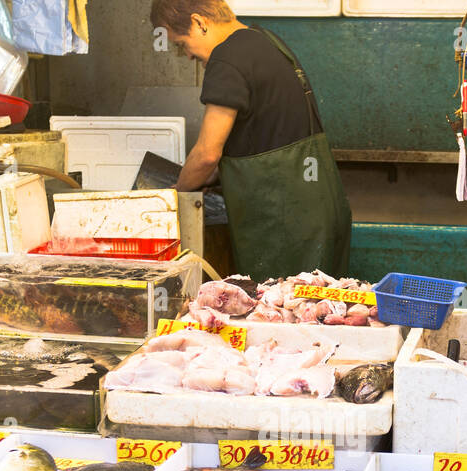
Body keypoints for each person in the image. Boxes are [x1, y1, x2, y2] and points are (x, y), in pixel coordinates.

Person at [149, 0, 352, 282]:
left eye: (182, 43)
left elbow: (207, 153)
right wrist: (216, 177)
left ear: (199, 23)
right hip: (322, 211)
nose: (187, 56)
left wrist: (176, 192)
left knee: (280, 315)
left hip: (283, 224)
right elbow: (268, 134)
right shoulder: (265, 40)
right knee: (316, 313)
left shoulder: (227, 59)